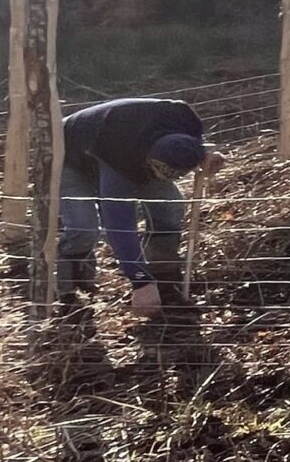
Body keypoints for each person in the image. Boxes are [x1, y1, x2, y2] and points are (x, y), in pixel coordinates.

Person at [57, 96, 223, 319]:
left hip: (122, 140)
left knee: (170, 207)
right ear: (150, 161)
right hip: (68, 152)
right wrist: (139, 281)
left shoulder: (185, 120)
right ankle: (68, 287)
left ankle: (164, 277)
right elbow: (118, 224)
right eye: (161, 173)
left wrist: (205, 158)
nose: (166, 179)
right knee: (83, 226)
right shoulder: (120, 156)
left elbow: (193, 146)